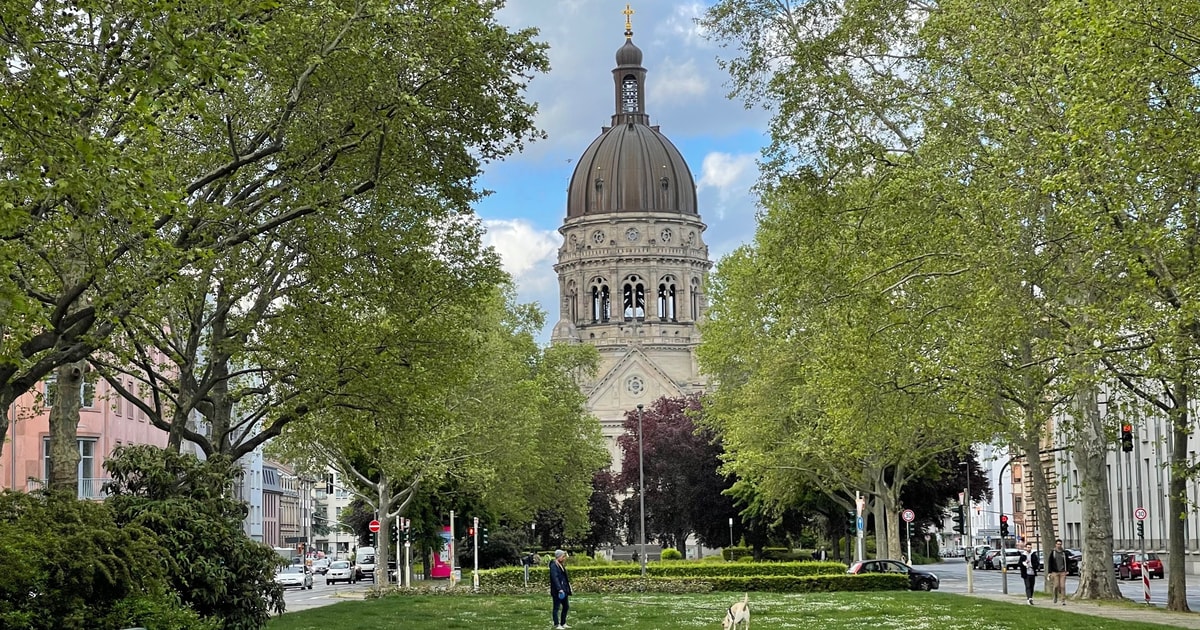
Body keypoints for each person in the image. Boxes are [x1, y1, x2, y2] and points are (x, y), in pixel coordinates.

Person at [550, 549, 573, 630]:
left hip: (564, 589)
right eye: (563, 557)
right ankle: (556, 624)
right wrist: (559, 589)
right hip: (558, 591)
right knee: (556, 607)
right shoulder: (553, 566)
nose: (564, 558)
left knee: (566, 606)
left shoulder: (561, 565)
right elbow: (555, 578)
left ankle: (563, 623)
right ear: (558, 557)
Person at [1047, 538, 1068, 605]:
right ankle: (1055, 596)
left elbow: (1067, 561)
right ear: (1056, 545)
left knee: (1062, 586)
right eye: (1058, 544)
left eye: (1060, 544)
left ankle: (1063, 600)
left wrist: (1067, 570)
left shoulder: (1064, 553)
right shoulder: (1053, 552)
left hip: (1062, 572)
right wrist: (1049, 572)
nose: (1059, 545)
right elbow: (1050, 562)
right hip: (1055, 572)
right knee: (1056, 586)